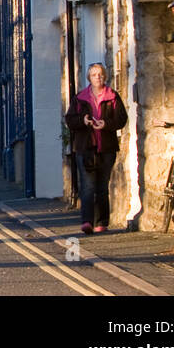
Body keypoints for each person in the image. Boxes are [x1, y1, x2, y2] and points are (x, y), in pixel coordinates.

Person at [64, 62, 128, 234]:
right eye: (94, 75)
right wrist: (83, 122)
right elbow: (70, 120)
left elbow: (122, 119)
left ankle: (102, 222)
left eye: (100, 74)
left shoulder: (112, 96)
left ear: (104, 76)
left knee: (102, 186)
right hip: (85, 148)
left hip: (106, 148)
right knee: (88, 186)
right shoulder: (80, 98)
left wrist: (106, 124)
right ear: (89, 78)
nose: (97, 77)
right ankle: (87, 222)